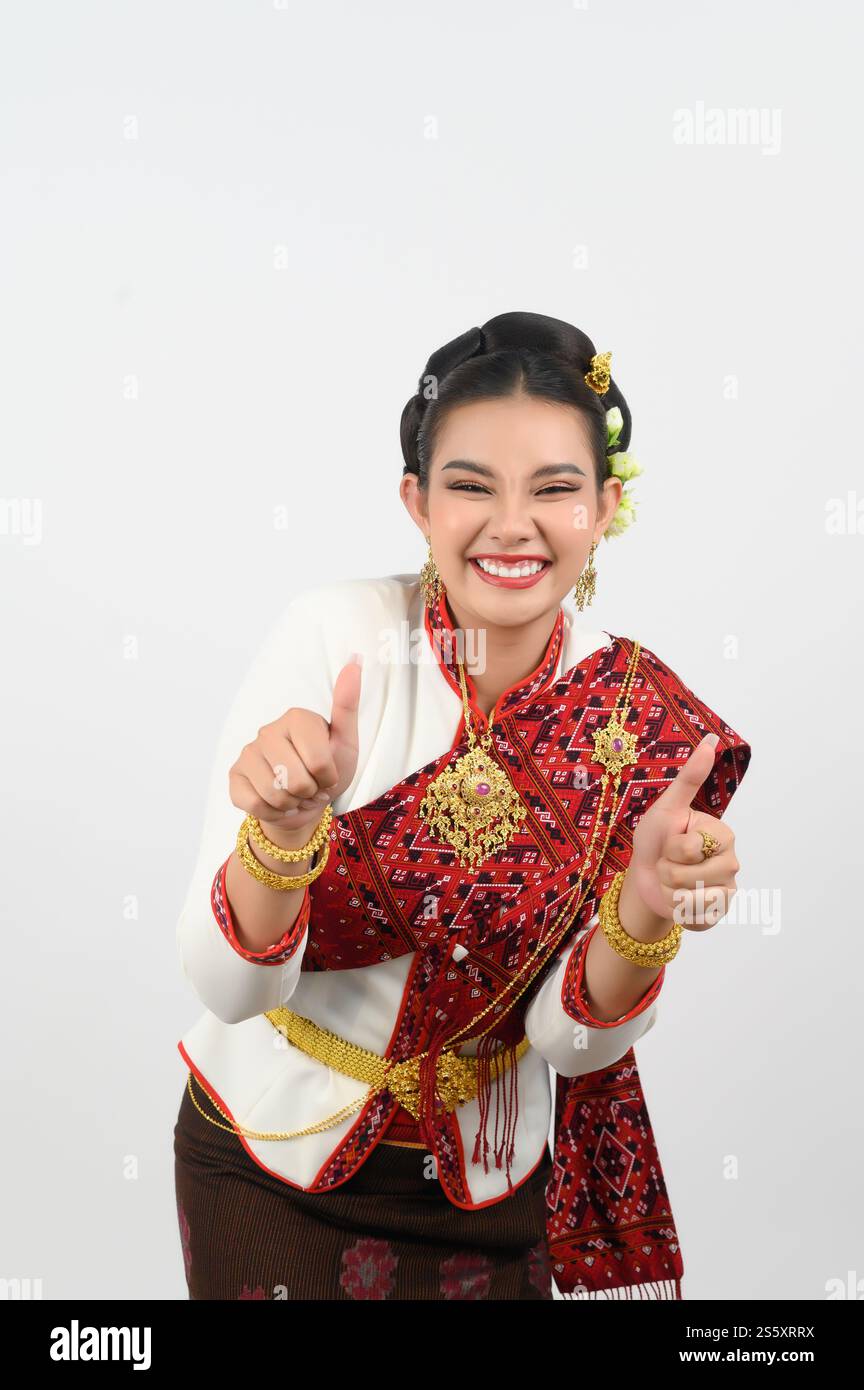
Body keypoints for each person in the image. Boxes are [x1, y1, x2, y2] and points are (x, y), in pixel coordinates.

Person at [173, 311, 752, 1300]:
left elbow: (573, 1045)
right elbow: (230, 989)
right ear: (418, 500)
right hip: (273, 1150)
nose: (512, 524)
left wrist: (647, 904)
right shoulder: (332, 636)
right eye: (470, 486)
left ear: (606, 506)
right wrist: (280, 838)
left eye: (556, 489)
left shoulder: (636, 720)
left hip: (494, 1180)